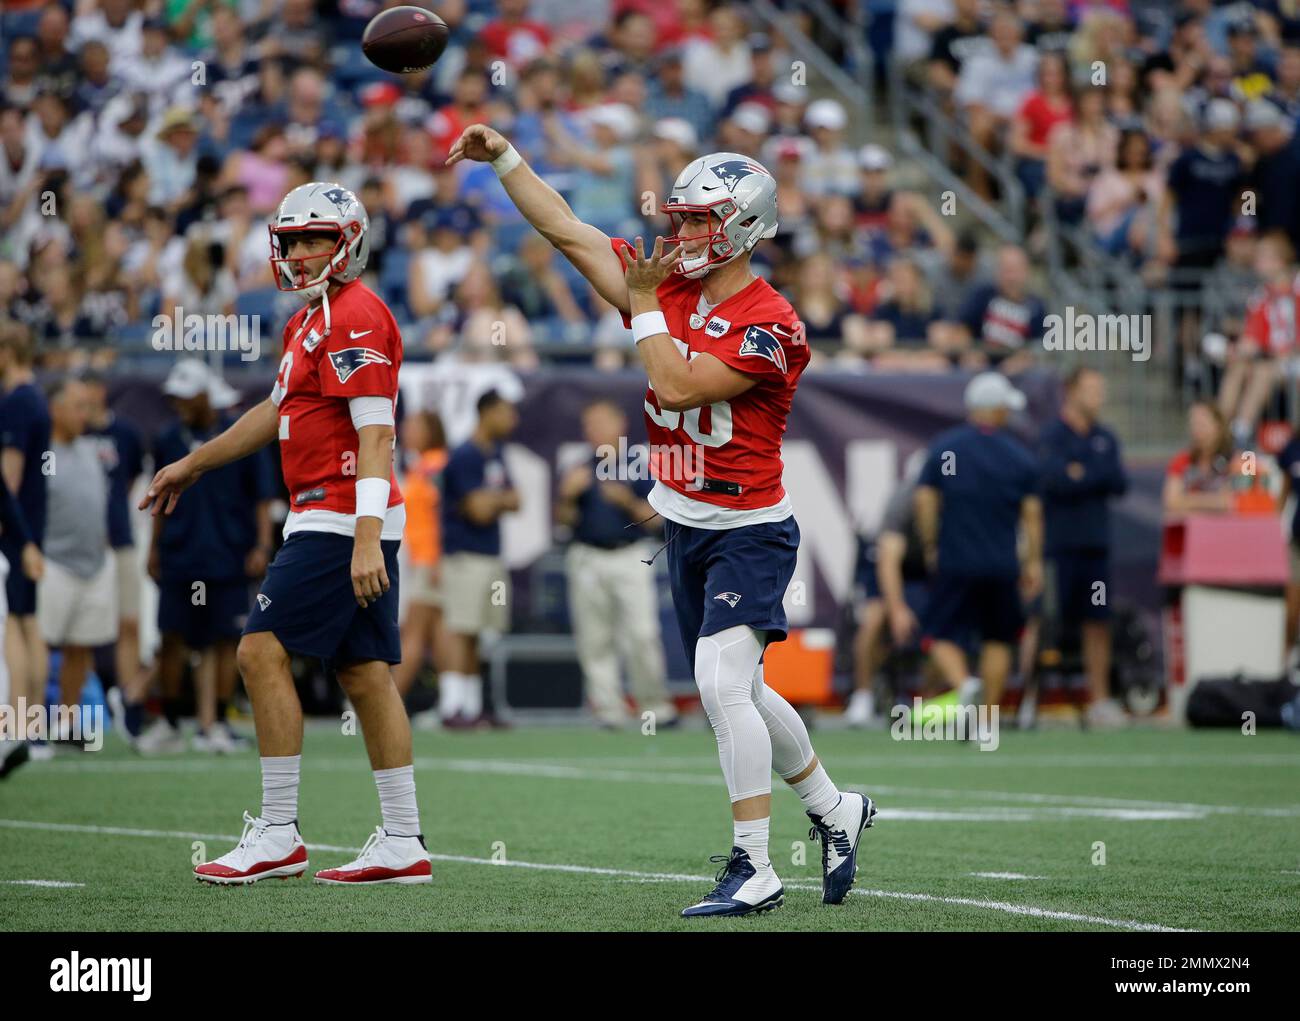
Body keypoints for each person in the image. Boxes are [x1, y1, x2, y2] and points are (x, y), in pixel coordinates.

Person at [447, 122, 875, 917]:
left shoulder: (772, 322)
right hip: (685, 523)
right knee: (742, 687)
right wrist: (506, 158)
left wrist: (642, 303)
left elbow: (676, 386)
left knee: (716, 682)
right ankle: (834, 807)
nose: (684, 234)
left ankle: (755, 864)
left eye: (702, 220)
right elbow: (566, 229)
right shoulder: (670, 283)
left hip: (749, 526)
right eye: (682, 218)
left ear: (745, 226)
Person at [142, 182, 432, 885]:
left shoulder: (354, 314)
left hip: (340, 515)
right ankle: (403, 840)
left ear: (349, 242)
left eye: (315, 239)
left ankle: (277, 833)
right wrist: (194, 464)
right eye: (293, 239)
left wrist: (365, 536)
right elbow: (275, 411)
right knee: (364, 671)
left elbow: (377, 436)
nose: (300, 252)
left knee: (258, 650)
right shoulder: (311, 319)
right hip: (333, 513)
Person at [138, 359, 274, 755]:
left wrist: (262, 545)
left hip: (228, 552)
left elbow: (262, 495)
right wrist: (153, 547)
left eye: (187, 396)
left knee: (227, 640)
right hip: (181, 553)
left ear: (204, 395)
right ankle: (169, 721)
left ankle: (216, 722)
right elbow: (159, 497)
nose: (179, 404)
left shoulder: (239, 435)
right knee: (172, 637)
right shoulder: (168, 438)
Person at [915, 372, 1043, 711]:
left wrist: (930, 544)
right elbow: (1032, 516)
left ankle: (964, 684)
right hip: (1002, 564)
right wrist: (1033, 563)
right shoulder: (1019, 456)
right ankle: (986, 721)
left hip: (955, 560)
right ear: (996, 409)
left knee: (937, 633)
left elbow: (925, 500)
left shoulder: (946, 448)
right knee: (997, 639)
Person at [556, 398, 677, 730]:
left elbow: (657, 520)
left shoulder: (638, 465)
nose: (593, 432)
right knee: (594, 638)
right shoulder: (580, 468)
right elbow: (563, 522)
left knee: (642, 633)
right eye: (588, 426)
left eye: (600, 423)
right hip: (587, 555)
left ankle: (654, 706)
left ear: (619, 425)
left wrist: (627, 501)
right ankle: (608, 709)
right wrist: (567, 496)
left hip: (629, 554)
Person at [1038, 367, 1129, 728]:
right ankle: (1029, 701)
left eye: (1100, 389)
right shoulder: (1052, 435)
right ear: (1071, 391)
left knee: (1098, 622)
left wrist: (1080, 474)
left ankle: (1100, 700)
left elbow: (1117, 481)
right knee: (1042, 621)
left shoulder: (1106, 437)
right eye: (1091, 389)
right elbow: (1053, 480)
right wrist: (1088, 476)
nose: (1098, 397)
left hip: (1095, 549)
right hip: (1057, 549)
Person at [37, 376, 116, 747]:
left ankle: (66, 724)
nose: (84, 414)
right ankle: (30, 727)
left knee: (79, 647)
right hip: (52, 562)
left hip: (93, 564)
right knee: (40, 645)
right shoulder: (44, 454)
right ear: (55, 410)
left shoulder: (89, 449)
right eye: (77, 407)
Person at [437, 389, 520, 727]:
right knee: (460, 629)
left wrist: (492, 500)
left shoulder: (496, 452)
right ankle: (451, 706)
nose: (512, 419)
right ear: (487, 412)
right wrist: (498, 501)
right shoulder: (464, 454)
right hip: (464, 555)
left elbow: (516, 501)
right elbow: (477, 511)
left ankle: (471, 707)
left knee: (480, 633)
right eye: (505, 412)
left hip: (489, 554)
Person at [83, 372, 147, 744]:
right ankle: (81, 705)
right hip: (78, 546)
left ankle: (128, 700)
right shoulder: (70, 435)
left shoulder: (125, 433)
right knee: (79, 632)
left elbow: (130, 479)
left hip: (120, 540)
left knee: (129, 622)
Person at [0, 323, 50, 758]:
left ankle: (16, 725)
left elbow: (7, 480)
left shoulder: (17, 401)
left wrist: (15, 530)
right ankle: (32, 727)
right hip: (31, 526)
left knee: (13, 623)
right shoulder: (35, 397)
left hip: (15, 529)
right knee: (28, 621)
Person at [392, 410, 448, 718]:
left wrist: (439, 557)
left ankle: (386, 705)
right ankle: (454, 703)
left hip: (430, 561)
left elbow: (444, 514)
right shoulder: (420, 465)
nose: (408, 431)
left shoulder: (437, 465)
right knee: (438, 634)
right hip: (418, 560)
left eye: (416, 427)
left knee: (413, 634)